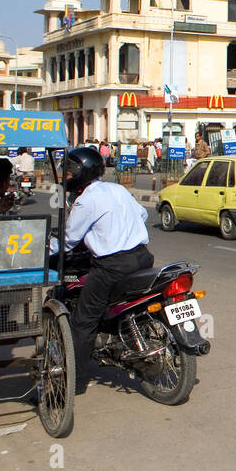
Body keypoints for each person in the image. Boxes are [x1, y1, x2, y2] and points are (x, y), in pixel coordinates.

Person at [54, 146, 153, 394]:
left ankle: (73, 382)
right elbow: (142, 215)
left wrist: (45, 250)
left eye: (70, 170)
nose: (66, 174)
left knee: (83, 321)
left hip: (112, 266)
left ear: (81, 172)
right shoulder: (117, 189)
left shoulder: (86, 199)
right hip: (142, 257)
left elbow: (67, 240)